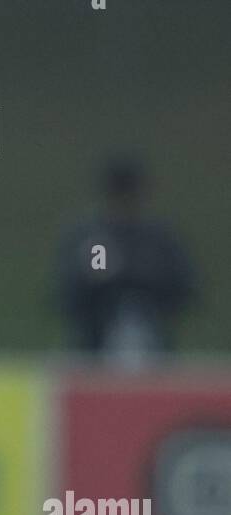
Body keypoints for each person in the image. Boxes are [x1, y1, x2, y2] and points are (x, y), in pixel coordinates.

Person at [55, 154, 196, 364]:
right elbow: (70, 293)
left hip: (154, 343)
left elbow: (184, 289)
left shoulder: (158, 239)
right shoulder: (94, 238)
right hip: (95, 345)